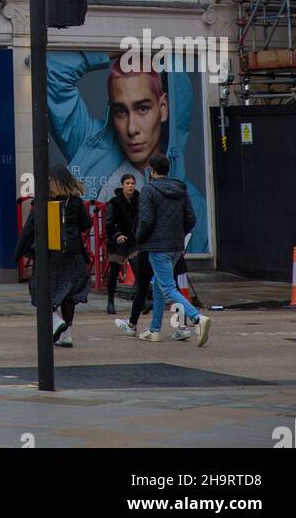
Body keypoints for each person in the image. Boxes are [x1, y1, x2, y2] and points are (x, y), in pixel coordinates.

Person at [46, 51, 209, 249]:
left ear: (163, 107)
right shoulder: (91, 142)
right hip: (97, 269)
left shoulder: (194, 203)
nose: (132, 128)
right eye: (121, 111)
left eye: (142, 109)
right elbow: (53, 70)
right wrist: (114, 50)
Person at [134, 153, 211, 347]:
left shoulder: (148, 191)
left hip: (157, 246)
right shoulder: (181, 189)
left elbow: (146, 220)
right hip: (176, 246)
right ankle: (154, 329)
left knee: (167, 288)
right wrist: (179, 234)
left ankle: (196, 318)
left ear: (151, 170)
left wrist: (139, 240)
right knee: (161, 286)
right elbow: (191, 219)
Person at [19, 165, 91, 348]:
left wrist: (18, 252)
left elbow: (29, 229)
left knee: (40, 288)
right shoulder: (75, 201)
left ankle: (56, 321)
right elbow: (86, 224)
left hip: (51, 254)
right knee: (70, 295)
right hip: (74, 253)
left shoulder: (43, 202)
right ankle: (66, 335)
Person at [105, 173, 138, 314]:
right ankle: (110, 302)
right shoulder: (114, 202)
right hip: (119, 241)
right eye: (127, 183)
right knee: (114, 272)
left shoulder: (140, 200)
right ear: (122, 185)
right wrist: (117, 235)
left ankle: (140, 301)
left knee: (139, 272)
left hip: (135, 241)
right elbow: (109, 222)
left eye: (132, 183)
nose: (130, 186)